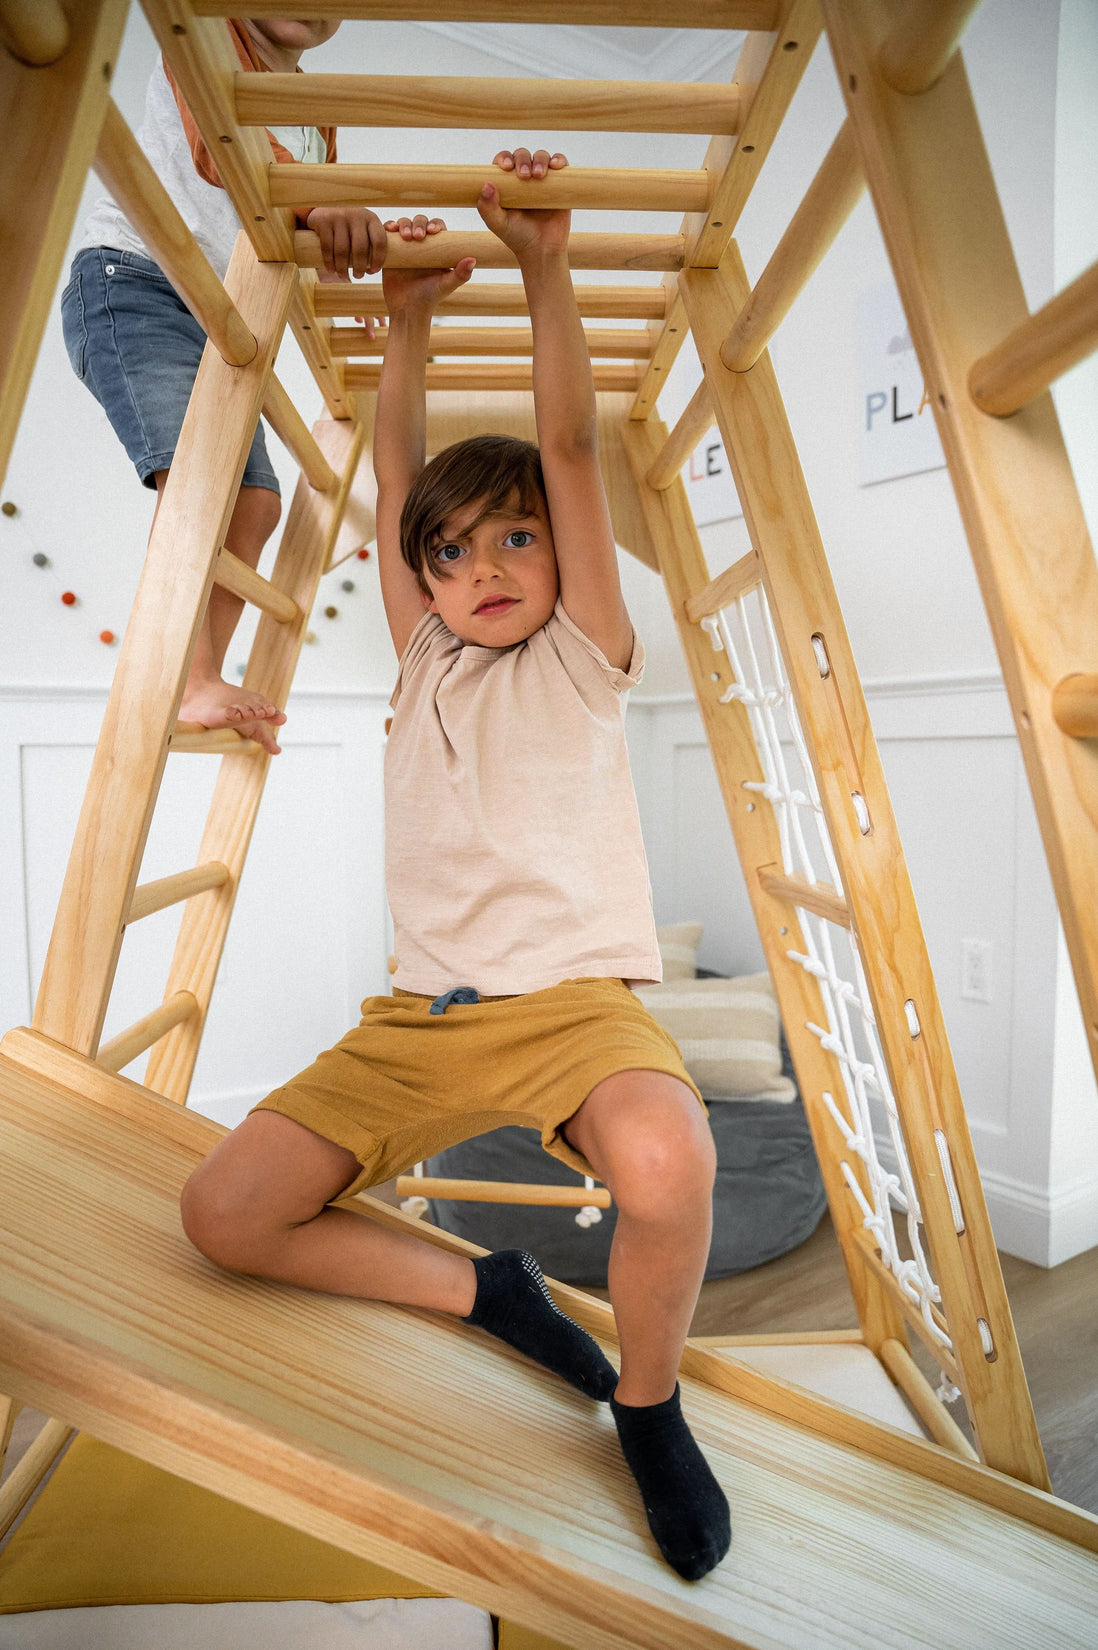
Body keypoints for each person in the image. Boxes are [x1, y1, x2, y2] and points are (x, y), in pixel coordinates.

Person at [179, 147, 730, 1582]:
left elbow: (569, 444)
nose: (481, 563)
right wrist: (403, 328)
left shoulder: (584, 656)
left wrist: (544, 267)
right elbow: (395, 476)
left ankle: (650, 1405)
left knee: (672, 1154)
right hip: (419, 1017)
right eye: (451, 551)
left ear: (557, 561)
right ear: (420, 582)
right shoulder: (422, 651)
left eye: (513, 540)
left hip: (574, 1009)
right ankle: (489, 1291)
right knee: (223, 1214)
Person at [60, 17, 392, 754]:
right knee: (201, 482)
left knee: (257, 504)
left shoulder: (319, 110)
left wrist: (347, 285)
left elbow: (300, 232)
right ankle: (188, 677)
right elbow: (223, 151)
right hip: (135, 281)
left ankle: (189, 672)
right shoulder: (205, 39)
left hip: (216, 318)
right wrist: (319, 202)